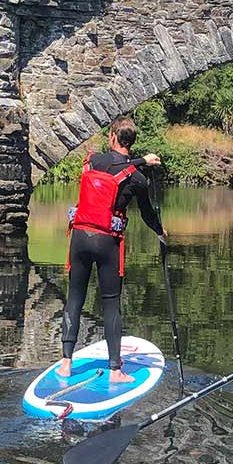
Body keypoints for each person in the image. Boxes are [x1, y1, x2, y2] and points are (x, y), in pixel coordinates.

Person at [60, 116, 165, 385]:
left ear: (112, 137)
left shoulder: (94, 160)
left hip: (81, 237)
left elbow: (113, 163)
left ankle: (65, 364)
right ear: (132, 142)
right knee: (110, 305)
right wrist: (161, 232)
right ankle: (116, 371)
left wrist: (142, 161)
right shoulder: (139, 179)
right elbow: (147, 214)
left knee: (74, 297)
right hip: (108, 242)